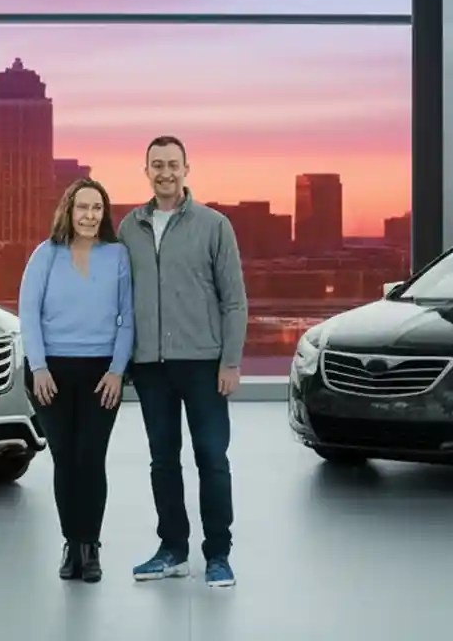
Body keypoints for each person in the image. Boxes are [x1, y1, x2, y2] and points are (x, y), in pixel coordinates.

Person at [117, 135, 247, 588]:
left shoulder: (214, 226)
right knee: (162, 460)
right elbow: (122, 297)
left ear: (187, 169)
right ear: (146, 170)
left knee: (212, 458)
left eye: (173, 164)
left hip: (204, 364)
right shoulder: (128, 228)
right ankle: (172, 550)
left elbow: (234, 302)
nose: (165, 172)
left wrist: (230, 362)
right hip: (151, 367)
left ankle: (218, 556)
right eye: (157, 165)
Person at [18, 177, 134, 584]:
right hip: (50, 374)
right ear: (68, 210)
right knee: (65, 460)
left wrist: (117, 372)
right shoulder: (44, 255)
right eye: (82, 207)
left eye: (97, 208)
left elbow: (128, 319)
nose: (89, 215)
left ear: (104, 214)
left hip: (101, 374)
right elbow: (28, 314)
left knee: (91, 458)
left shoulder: (117, 256)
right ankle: (71, 544)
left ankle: (91, 547)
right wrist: (39, 367)